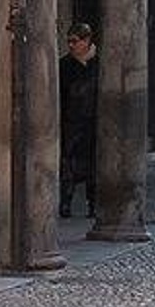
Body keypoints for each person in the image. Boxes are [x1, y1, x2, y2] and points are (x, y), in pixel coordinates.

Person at [59, 22, 99, 218]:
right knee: (68, 163)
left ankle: (93, 204)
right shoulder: (65, 65)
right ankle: (65, 202)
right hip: (71, 121)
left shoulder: (97, 64)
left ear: (87, 41)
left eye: (75, 41)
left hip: (92, 121)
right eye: (69, 41)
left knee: (93, 165)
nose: (71, 45)